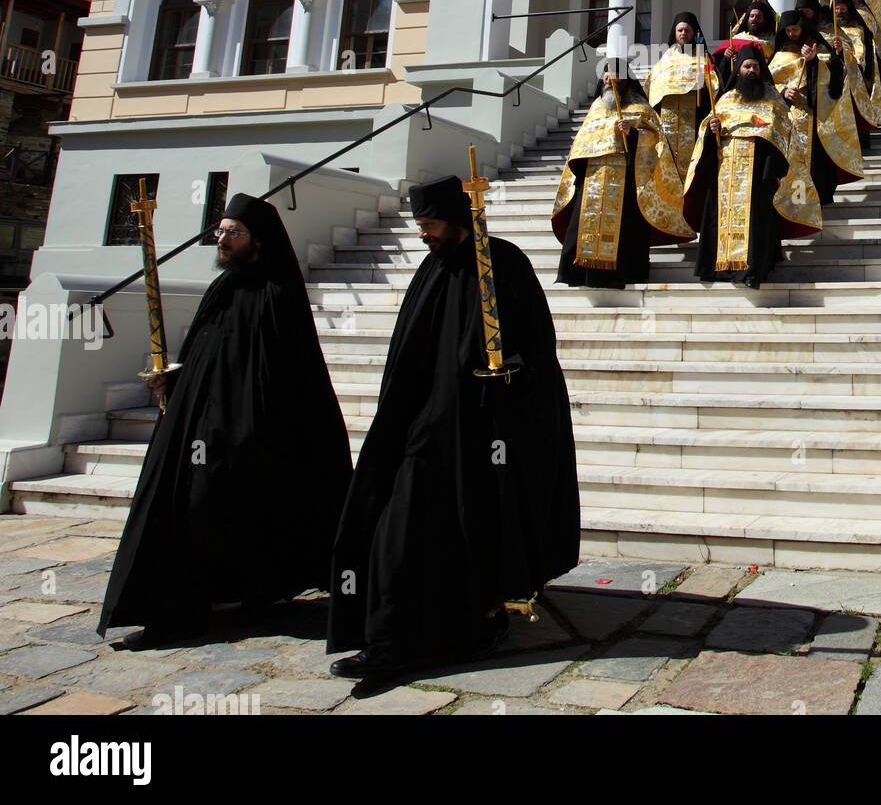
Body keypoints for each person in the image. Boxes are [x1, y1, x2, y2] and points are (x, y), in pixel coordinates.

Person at [327, 175, 579, 695]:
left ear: (458, 219)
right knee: (399, 526)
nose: (423, 234)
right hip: (425, 429)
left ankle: (462, 625)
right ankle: (390, 637)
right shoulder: (433, 269)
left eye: (430, 224)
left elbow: (536, 346)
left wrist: (510, 373)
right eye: (419, 225)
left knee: (469, 530)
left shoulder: (503, 264)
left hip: (482, 431)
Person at [99, 194, 352, 645]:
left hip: (246, 435)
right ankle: (176, 611)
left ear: (258, 242)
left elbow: (284, 378)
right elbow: (206, 353)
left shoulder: (277, 294)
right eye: (220, 231)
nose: (222, 239)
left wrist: (242, 429)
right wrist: (174, 382)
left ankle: (249, 597)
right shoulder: (224, 287)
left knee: (232, 515)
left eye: (232, 233)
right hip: (197, 426)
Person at [682, 50, 820, 288]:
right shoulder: (725, 101)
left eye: (756, 66)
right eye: (747, 66)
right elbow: (707, 139)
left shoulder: (772, 99)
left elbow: (783, 131)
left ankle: (752, 270)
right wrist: (711, 131)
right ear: (739, 71)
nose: (752, 70)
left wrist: (773, 168)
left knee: (757, 221)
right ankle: (721, 267)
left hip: (759, 171)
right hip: (726, 170)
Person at [551, 62, 693, 287]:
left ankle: (623, 273)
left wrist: (634, 133)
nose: (609, 82)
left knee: (626, 229)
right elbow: (581, 142)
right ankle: (580, 273)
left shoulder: (641, 108)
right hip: (592, 177)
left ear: (625, 81)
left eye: (614, 78)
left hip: (627, 178)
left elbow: (656, 140)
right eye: (606, 78)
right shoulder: (596, 107)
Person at [768, 10, 865, 206]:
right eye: (787, 30)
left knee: (818, 162)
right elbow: (768, 84)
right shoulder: (779, 54)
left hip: (818, 115)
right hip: (789, 117)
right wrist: (784, 92)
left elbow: (837, 77)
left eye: (795, 29)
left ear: (803, 28)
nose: (791, 34)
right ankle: (798, 202)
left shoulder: (818, 48)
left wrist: (814, 62)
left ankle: (819, 200)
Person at [645, 10, 721, 180]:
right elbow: (653, 83)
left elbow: (713, 81)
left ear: (694, 33)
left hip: (694, 115)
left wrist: (704, 87)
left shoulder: (703, 57)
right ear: (675, 33)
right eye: (680, 31)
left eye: (687, 30)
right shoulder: (665, 59)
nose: (683, 34)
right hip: (668, 114)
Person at [830, 0, 881, 147]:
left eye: (842, 9)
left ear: (849, 10)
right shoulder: (829, 31)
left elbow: (860, 53)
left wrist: (850, 59)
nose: (839, 12)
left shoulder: (858, 30)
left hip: (854, 77)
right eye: (837, 9)